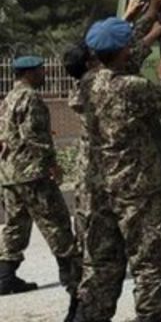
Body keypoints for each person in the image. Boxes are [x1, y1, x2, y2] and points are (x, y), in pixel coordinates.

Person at [73, 18, 161, 322]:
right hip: (136, 191)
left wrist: (149, 30)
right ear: (124, 49)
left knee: (101, 265)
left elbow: (116, 68)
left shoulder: (86, 83)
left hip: (97, 191)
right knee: (149, 264)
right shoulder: (134, 88)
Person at [0, 56, 81, 309]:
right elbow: (34, 136)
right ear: (30, 73)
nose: (44, 74)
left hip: (10, 174)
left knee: (16, 224)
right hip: (33, 174)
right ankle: (74, 283)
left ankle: (5, 277)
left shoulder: (10, 97)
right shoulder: (30, 98)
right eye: (41, 71)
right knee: (57, 225)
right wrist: (52, 164)